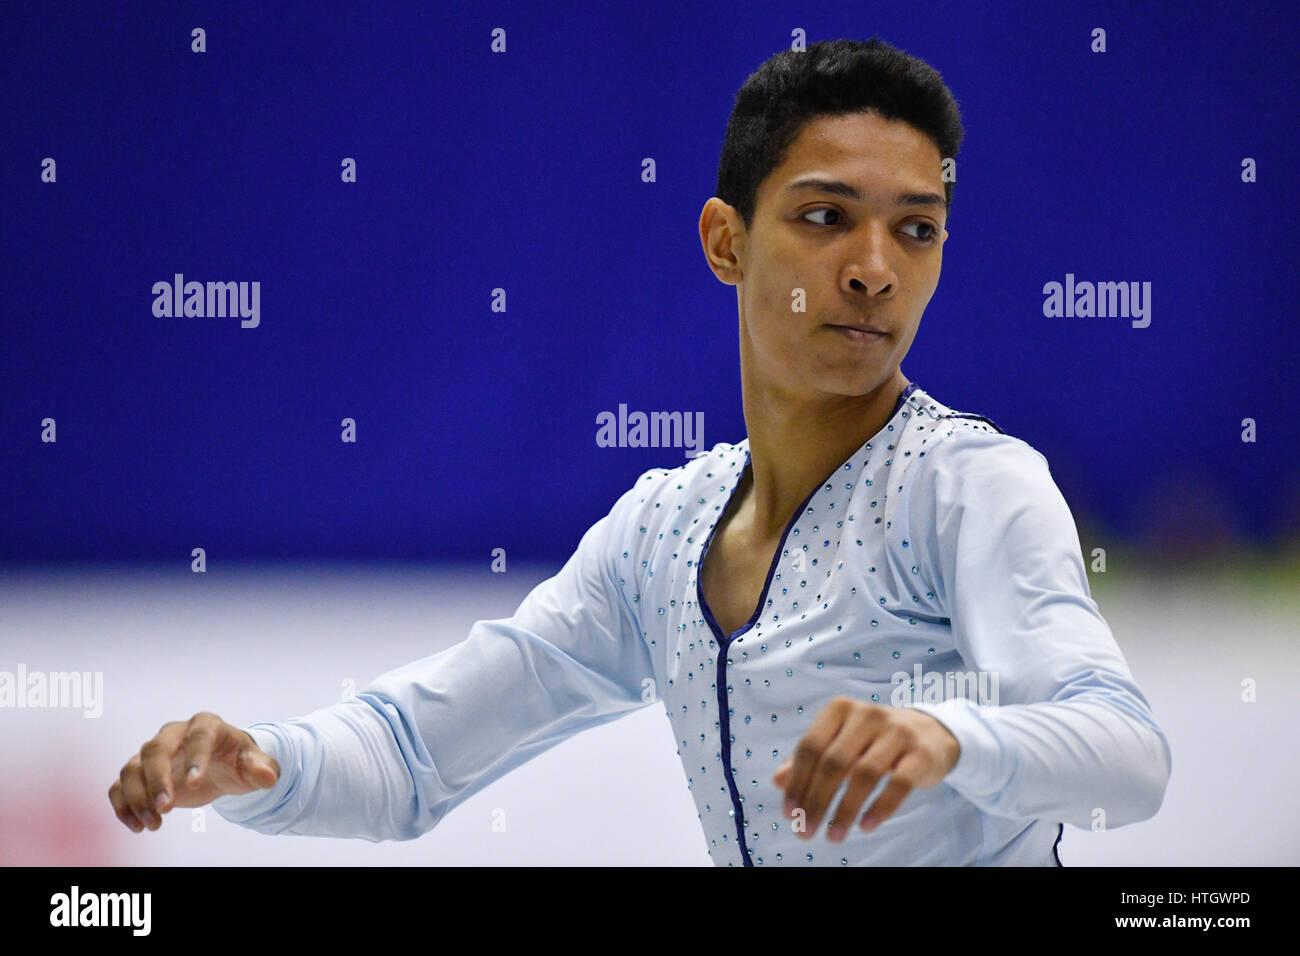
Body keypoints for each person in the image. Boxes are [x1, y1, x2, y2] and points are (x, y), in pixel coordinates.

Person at [108, 37, 1171, 865]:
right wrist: (261, 764)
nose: (873, 268)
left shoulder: (969, 487)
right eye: (825, 215)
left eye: (916, 228)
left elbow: (1125, 756)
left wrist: (952, 737)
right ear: (725, 241)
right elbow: (413, 754)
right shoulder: (662, 533)